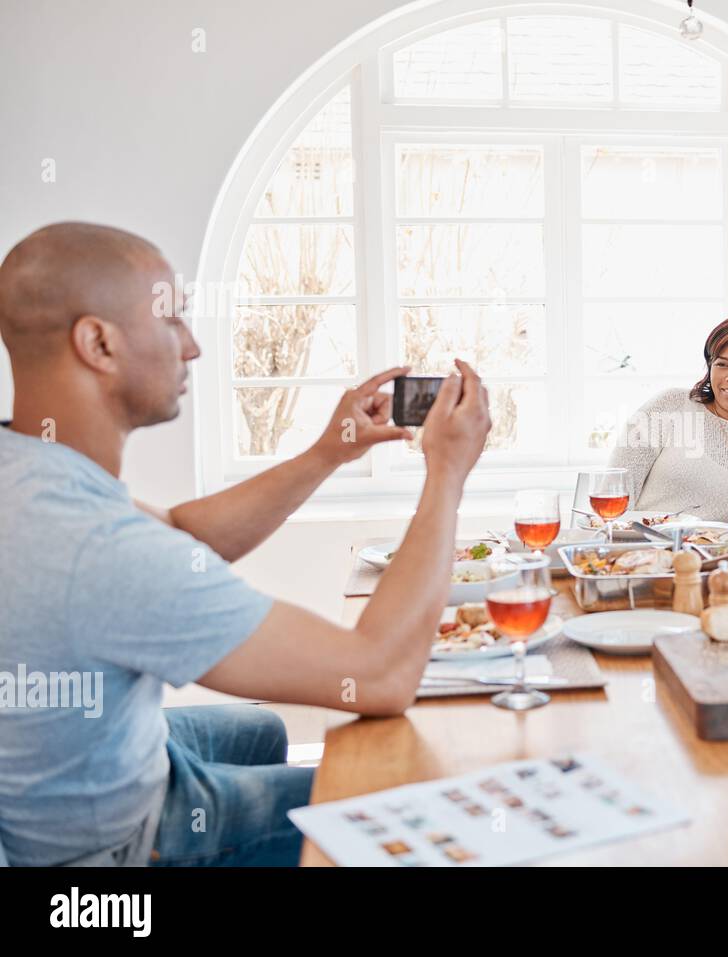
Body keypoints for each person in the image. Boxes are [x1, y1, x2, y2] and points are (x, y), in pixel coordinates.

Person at [0, 223, 492, 866]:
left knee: (261, 729)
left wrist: (327, 452)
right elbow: (377, 675)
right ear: (98, 343)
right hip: (112, 854)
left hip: (84, 779)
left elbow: (179, 534)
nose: (194, 347)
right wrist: (447, 474)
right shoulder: (93, 547)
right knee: (394, 794)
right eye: (172, 320)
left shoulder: (30, 464)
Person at [607, 316, 728, 523]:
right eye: (722, 364)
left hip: (726, 555)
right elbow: (614, 492)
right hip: (646, 549)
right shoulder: (670, 406)